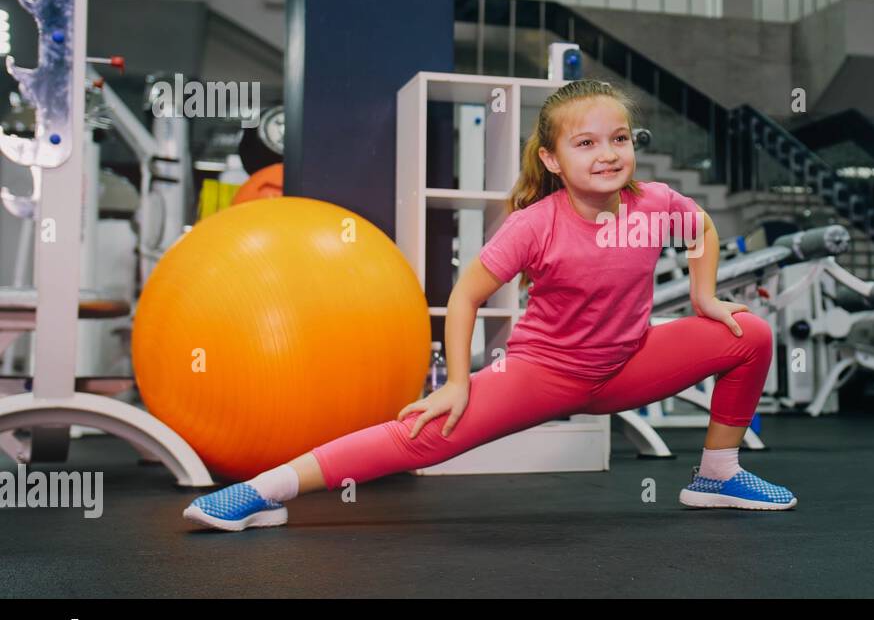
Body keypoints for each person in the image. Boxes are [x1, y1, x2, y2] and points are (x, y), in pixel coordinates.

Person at [183, 79, 795, 531]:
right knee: (421, 434)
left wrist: (704, 295)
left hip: (628, 364)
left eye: (618, 139)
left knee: (750, 333)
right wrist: (455, 382)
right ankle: (262, 491)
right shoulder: (535, 224)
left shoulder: (654, 202)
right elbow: (465, 295)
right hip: (543, 373)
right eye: (586, 143)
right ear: (553, 161)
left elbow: (703, 228)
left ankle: (717, 474)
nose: (608, 153)